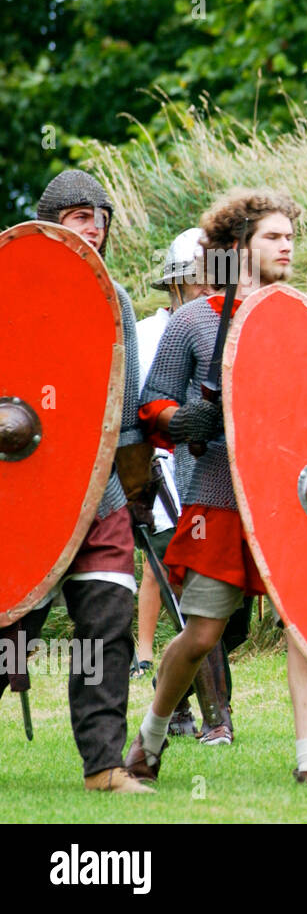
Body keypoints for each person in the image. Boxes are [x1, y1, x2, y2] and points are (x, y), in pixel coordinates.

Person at [126, 188, 307, 786]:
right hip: (219, 493)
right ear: (237, 247)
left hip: (291, 496)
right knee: (201, 633)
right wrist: (183, 420)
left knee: (303, 624)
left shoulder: (301, 318)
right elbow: (152, 404)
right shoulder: (196, 321)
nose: (287, 245)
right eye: (273, 236)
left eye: (290, 236)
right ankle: (148, 740)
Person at [2, 170, 153, 793]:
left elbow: (123, 410)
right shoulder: (10, 285)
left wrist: (136, 490)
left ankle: (104, 766)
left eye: (101, 217)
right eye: (79, 216)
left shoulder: (114, 297)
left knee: (109, 624)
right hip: (21, 490)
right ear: (50, 225)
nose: (93, 227)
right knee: (8, 628)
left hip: (99, 495)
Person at [134, 228, 243, 746]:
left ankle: (171, 704)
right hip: (163, 481)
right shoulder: (152, 331)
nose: (203, 290)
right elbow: (142, 411)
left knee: (218, 619)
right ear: (177, 284)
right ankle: (211, 720)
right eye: (194, 281)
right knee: (196, 610)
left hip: (218, 478)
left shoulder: (230, 319)